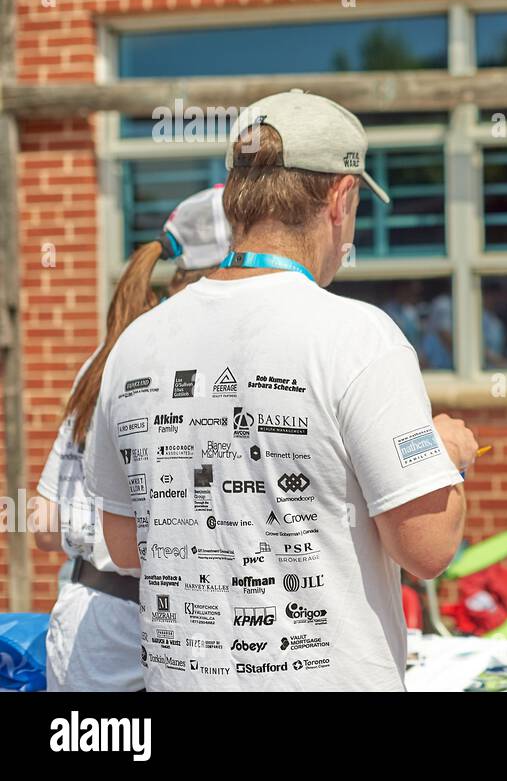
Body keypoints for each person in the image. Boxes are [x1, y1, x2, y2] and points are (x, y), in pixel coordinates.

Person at [84, 89, 478, 690]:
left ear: (238, 197)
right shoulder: (358, 336)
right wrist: (443, 460)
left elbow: (126, 545)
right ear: (341, 198)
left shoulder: (136, 343)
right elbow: (427, 548)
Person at [33, 186, 232, 691]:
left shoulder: (106, 356)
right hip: (170, 626)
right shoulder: (204, 358)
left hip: (89, 628)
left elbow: (44, 525)